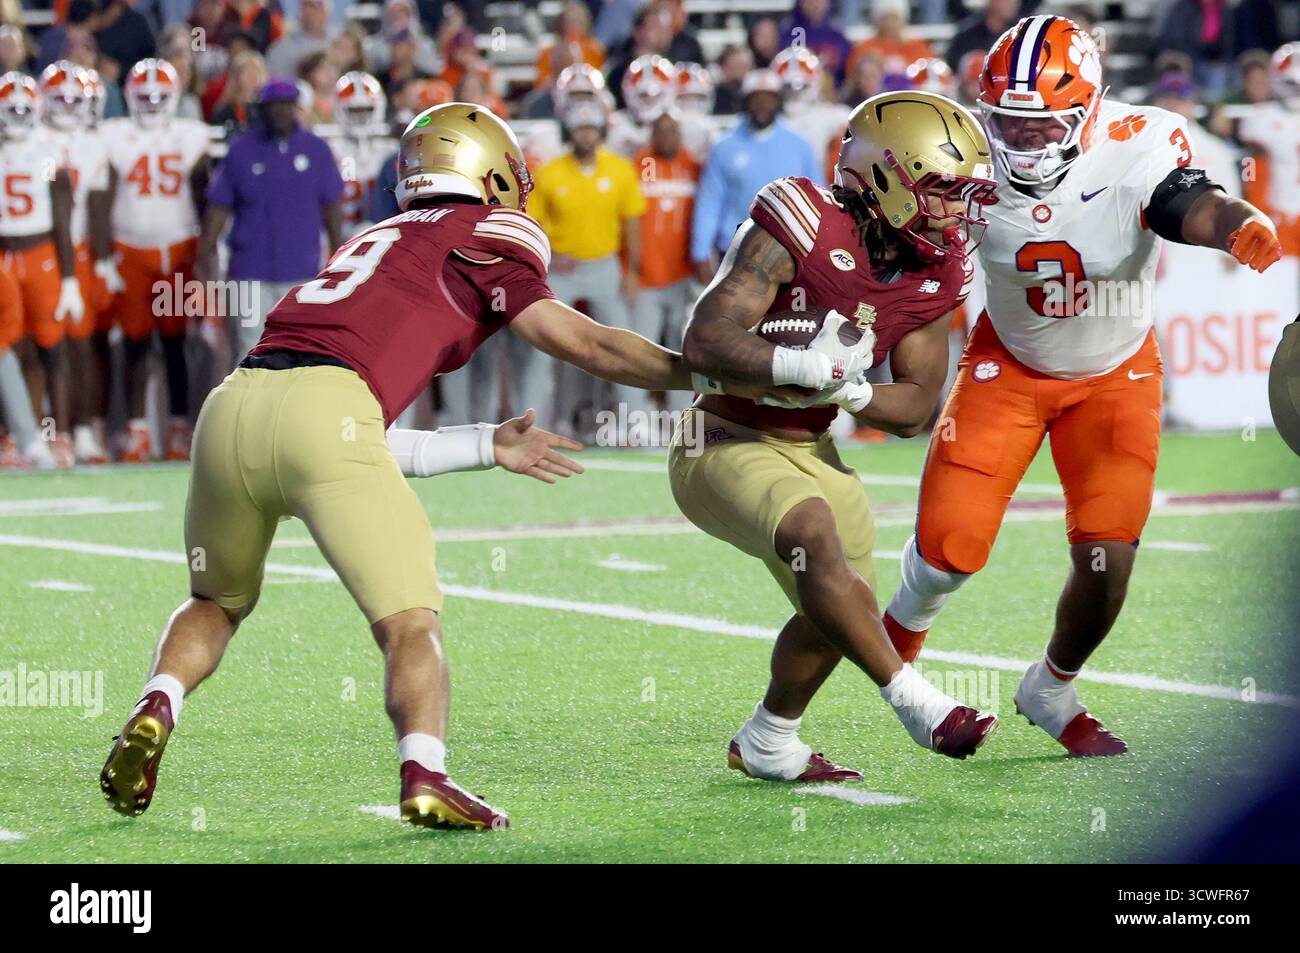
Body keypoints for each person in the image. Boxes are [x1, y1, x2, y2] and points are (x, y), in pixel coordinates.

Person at [99, 103, 703, 830]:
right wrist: (700, 372)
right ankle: (426, 772)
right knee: (411, 622)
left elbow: (350, 431)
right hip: (332, 410)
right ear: (487, 169)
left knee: (217, 602)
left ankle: (156, 702)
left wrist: (486, 442)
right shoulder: (487, 229)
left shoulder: (375, 236)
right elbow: (587, 345)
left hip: (232, 408)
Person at [882, 15, 1283, 756]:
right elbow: (899, 238)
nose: (1022, 141)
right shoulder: (960, 155)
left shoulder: (1140, 143)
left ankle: (1051, 685)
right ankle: (899, 626)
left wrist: (1237, 221)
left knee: (1107, 561)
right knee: (947, 552)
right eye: (1008, 123)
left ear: (1089, 112)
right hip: (1008, 363)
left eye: (1043, 127)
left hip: (1116, 373)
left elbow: (1188, 203)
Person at [671, 90, 1001, 780]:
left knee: (836, 608)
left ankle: (768, 738)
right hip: (723, 435)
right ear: (885, 176)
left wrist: (846, 388)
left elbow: (914, 406)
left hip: (812, 442)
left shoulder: (939, 266)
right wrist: (798, 364)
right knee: (815, 536)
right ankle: (918, 702)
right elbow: (704, 339)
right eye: (941, 190)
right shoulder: (800, 219)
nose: (954, 212)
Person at [101, 59, 211, 462]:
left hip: (178, 247)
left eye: (159, 97)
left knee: (175, 344)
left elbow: (204, 194)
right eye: (143, 96)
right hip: (129, 248)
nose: (150, 103)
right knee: (132, 344)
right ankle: (137, 431)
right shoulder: (115, 134)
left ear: (174, 98)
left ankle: (179, 428)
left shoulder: (190, 135)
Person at [198, 76, 344, 365]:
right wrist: (205, 254)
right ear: (261, 109)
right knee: (248, 347)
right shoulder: (241, 150)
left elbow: (332, 210)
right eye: (272, 106)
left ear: (296, 108)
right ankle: (248, 411)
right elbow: (218, 208)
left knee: (302, 351)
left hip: (303, 270)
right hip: (248, 270)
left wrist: (339, 262)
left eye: (285, 105)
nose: (279, 112)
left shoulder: (317, 150)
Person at [528, 99, 645, 434]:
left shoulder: (619, 169)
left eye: (591, 128)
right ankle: (530, 423)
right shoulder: (550, 171)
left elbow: (632, 223)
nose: (585, 135)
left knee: (624, 343)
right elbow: (532, 223)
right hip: (561, 271)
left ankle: (635, 423)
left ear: (602, 131)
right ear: (568, 132)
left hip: (604, 267)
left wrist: (632, 271)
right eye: (579, 129)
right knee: (542, 347)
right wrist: (548, 255)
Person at [0, 70, 81, 467]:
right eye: (9, 107)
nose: (16, 114)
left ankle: (60, 434)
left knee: (52, 347)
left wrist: (68, 277)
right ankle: (15, 436)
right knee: (6, 349)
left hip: (41, 253)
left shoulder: (50, 151)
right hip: (3, 256)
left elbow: (62, 215)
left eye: (22, 107)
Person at [41, 60, 117, 465]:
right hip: (37, 250)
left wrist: (104, 260)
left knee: (82, 343)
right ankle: (50, 431)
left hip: (81, 250)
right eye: (62, 99)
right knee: (40, 346)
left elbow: (99, 206)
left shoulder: (95, 143)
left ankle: (84, 427)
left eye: (77, 99)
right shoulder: (33, 141)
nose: (70, 107)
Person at [690, 70, 818, 285]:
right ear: (745, 101)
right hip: (735, 251)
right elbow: (709, 203)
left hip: (790, 251)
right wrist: (700, 253)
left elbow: (818, 198)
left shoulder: (800, 145)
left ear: (778, 101)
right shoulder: (724, 146)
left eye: (769, 98)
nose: (762, 104)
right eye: (756, 98)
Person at [632, 107, 700, 417]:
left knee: (681, 350)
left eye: (672, 131)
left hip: (682, 275)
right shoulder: (639, 164)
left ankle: (679, 416)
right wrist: (629, 268)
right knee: (640, 350)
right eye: (660, 131)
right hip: (645, 278)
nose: (666, 137)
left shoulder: (694, 166)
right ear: (651, 134)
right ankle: (634, 417)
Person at [1236, 44, 1300, 257]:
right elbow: (1251, 169)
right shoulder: (1260, 119)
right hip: (1279, 213)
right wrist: (1257, 210)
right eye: (1292, 83)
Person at [266, 0, 334, 79]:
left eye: (315, 6)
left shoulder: (337, 45)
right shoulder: (281, 49)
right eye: (305, 6)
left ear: (327, 12)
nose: (309, 11)